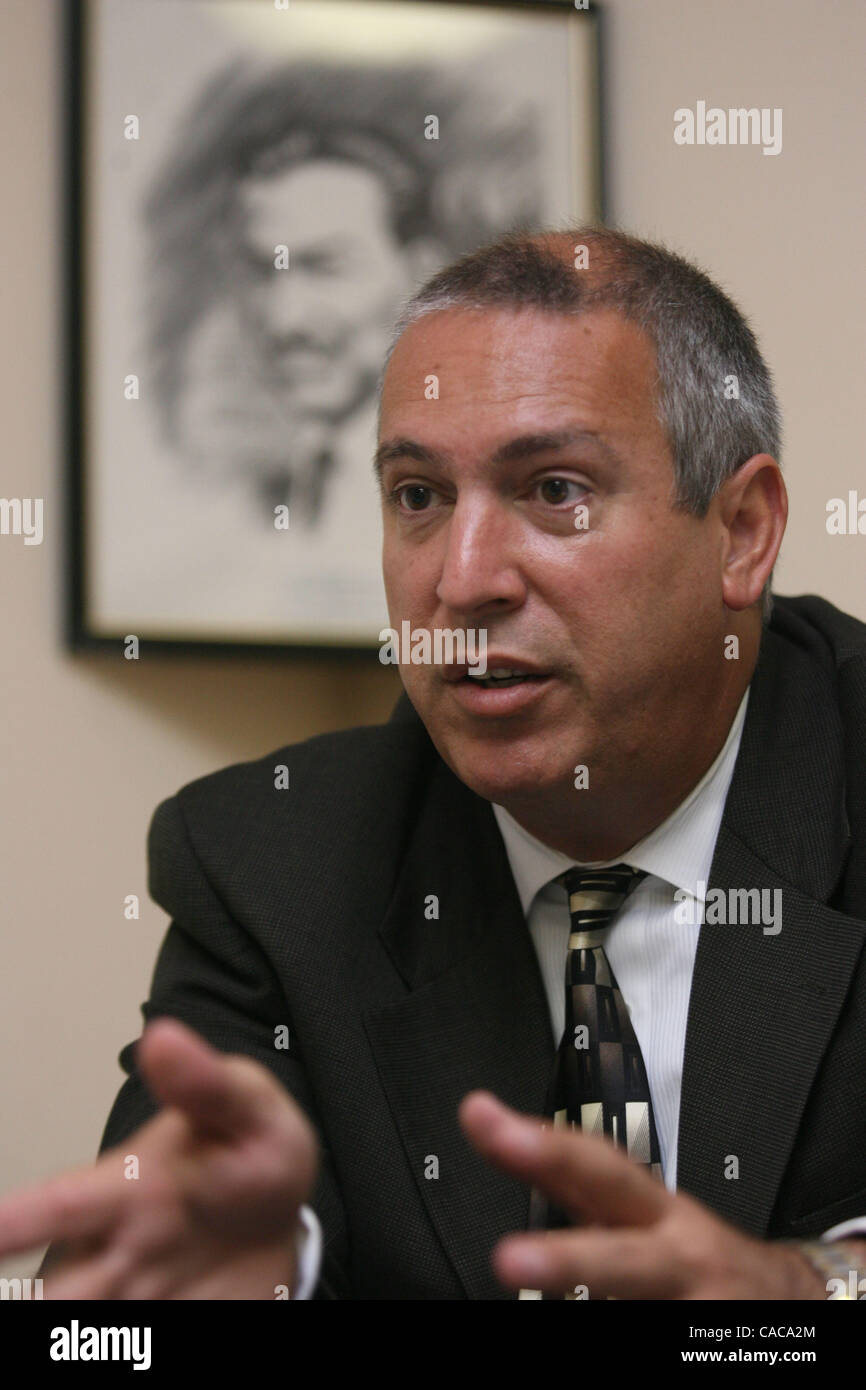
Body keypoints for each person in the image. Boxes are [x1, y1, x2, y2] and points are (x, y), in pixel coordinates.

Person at [2, 226, 865, 1299]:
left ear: (740, 530)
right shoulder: (277, 865)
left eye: (553, 489)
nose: (461, 580)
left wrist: (806, 1292)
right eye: (417, 496)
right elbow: (159, 1248)